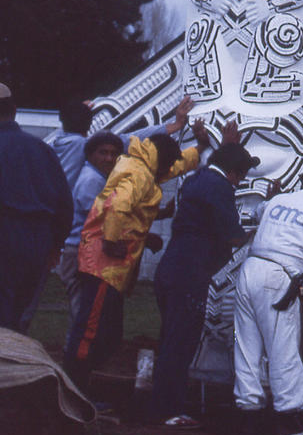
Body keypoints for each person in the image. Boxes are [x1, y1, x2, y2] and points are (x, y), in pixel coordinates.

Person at [63, 125, 207, 393]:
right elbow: (117, 206)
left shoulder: (144, 166)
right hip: (102, 267)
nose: (171, 170)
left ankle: (79, 385)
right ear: (161, 158)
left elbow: (175, 166)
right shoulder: (139, 173)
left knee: (109, 336)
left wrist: (199, 148)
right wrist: (111, 240)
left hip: (112, 269)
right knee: (91, 334)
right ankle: (73, 388)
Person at [151, 137, 258, 427]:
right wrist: (257, 229)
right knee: (181, 341)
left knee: (171, 338)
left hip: (172, 266)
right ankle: (167, 410)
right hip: (190, 271)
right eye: (242, 175)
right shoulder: (220, 186)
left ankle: (159, 404)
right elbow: (233, 235)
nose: (240, 182)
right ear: (233, 172)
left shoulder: (194, 179)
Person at [234, 169, 303, 433]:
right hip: (280, 278)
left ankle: (248, 410)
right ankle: (289, 412)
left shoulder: (277, 201)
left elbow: (258, 211)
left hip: (249, 270)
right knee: (283, 348)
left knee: (246, 345)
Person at [0, 84, 73, 331]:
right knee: (20, 315)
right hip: (37, 242)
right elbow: (65, 203)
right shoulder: (41, 149)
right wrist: (56, 245)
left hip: (6, 235)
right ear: (15, 110)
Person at [48, 95, 195, 189]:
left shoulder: (53, 145)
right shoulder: (83, 145)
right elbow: (128, 139)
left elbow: (68, 126)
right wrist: (174, 126)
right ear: (89, 125)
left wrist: (75, 113)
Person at [58, 132, 124, 333]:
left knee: (83, 306)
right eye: (103, 153)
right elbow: (99, 219)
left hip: (81, 249)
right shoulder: (91, 179)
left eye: (113, 154)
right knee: (81, 308)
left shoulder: (99, 177)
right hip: (77, 250)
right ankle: (74, 355)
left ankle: (76, 351)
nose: (109, 158)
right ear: (90, 155)